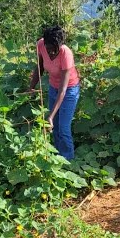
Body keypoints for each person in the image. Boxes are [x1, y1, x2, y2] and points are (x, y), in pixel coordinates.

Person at [28, 25, 80, 161]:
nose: (50, 52)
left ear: (60, 45)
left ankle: (68, 161)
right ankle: (58, 158)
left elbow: (63, 90)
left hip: (69, 90)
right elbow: (39, 67)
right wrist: (31, 87)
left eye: (54, 49)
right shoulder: (40, 45)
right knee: (54, 127)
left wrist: (50, 116)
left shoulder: (66, 53)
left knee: (63, 128)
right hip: (53, 87)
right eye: (48, 48)